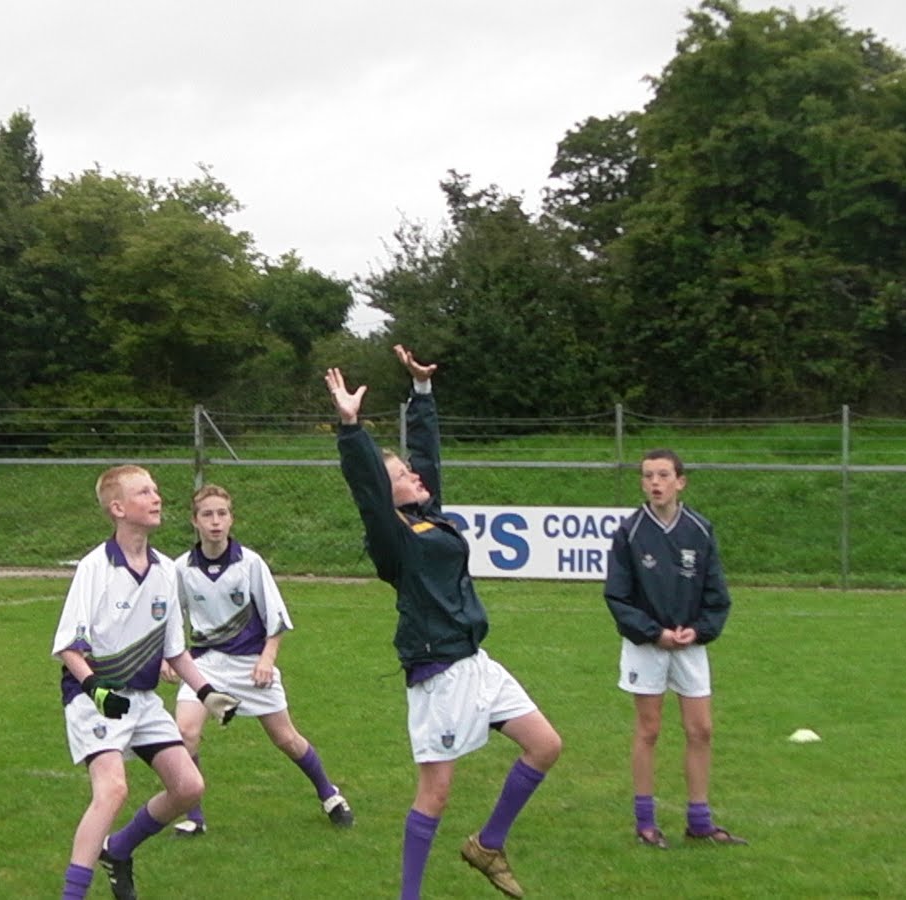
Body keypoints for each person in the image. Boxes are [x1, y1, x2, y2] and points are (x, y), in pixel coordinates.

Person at [325, 346, 563, 900]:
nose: (414, 475)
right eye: (403, 476)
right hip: (439, 673)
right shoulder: (393, 539)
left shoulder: (429, 517)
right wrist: (350, 425)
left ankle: (486, 845)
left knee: (545, 745)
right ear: (390, 496)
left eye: (409, 471)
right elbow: (366, 488)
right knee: (435, 794)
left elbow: (427, 459)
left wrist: (422, 394)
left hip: (475, 661)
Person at [53, 464, 241, 900]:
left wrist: (208, 693)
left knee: (189, 786)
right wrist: (97, 691)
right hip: (94, 698)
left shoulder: (163, 570)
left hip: (142, 700)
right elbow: (69, 648)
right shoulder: (95, 567)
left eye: (155, 490)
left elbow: (175, 651)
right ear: (118, 508)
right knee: (113, 789)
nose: (156, 497)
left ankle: (118, 850)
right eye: (144, 492)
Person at [164, 484, 354, 837]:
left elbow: (276, 618)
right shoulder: (180, 568)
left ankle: (329, 794)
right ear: (195, 522)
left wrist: (267, 658)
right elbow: (172, 618)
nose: (216, 522)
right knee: (186, 733)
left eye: (222, 513)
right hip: (204, 664)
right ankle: (195, 817)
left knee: (286, 739)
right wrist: (168, 657)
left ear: (231, 518)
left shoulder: (250, 563)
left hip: (250, 664)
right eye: (207, 514)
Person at [603, 449, 747, 849]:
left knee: (701, 729)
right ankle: (645, 822)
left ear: (680, 482)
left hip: (689, 646)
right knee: (649, 729)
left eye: (663, 475)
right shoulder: (630, 533)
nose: (655, 483)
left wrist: (698, 631)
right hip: (646, 645)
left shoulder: (700, 530)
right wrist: (654, 633)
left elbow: (717, 596)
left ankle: (699, 821)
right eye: (648, 476)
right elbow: (617, 597)